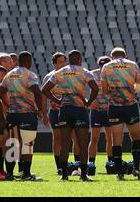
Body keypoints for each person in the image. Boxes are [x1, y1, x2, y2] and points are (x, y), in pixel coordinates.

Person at [42, 49, 98, 180]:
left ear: (69, 59)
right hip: (79, 110)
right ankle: (83, 175)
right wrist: (88, 102)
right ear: (79, 59)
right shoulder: (84, 72)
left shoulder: (60, 72)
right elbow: (95, 88)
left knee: (65, 143)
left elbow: (44, 89)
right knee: (82, 143)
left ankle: (64, 175)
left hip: (65, 110)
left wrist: (58, 100)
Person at [101, 47, 140, 180]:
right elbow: (139, 86)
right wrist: (130, 93)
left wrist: (114, 94)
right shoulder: (132, 65)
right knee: (136, 138)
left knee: (117, 140)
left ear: (112, 56)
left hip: (115, 106)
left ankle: (119, 172)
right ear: (125, 55)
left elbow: (104, 89)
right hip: (130, 106)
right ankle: (136, 168)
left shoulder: (107, 67)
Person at [1, 51, 44, 181]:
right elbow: (37, 91)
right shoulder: (29, 75)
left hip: (13, 114)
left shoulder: (9, 75)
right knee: (28, 144)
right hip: (27, 114)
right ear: (29, 61)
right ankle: (26, 174)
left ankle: (9, 173)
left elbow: (1, 91)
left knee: (13, 143)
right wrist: (40, 109)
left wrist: (9, 104)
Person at [41, 51, 67, 177]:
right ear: (54, 63)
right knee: (57, 137)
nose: (63, 64)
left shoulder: (69, 75)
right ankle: (59, 166)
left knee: (71, 138)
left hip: (68, 110)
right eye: (60, 61)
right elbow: (44, 96)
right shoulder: (49, 77)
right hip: (55, 111)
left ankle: (72, 164)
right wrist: (44, 114)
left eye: (64, 61)